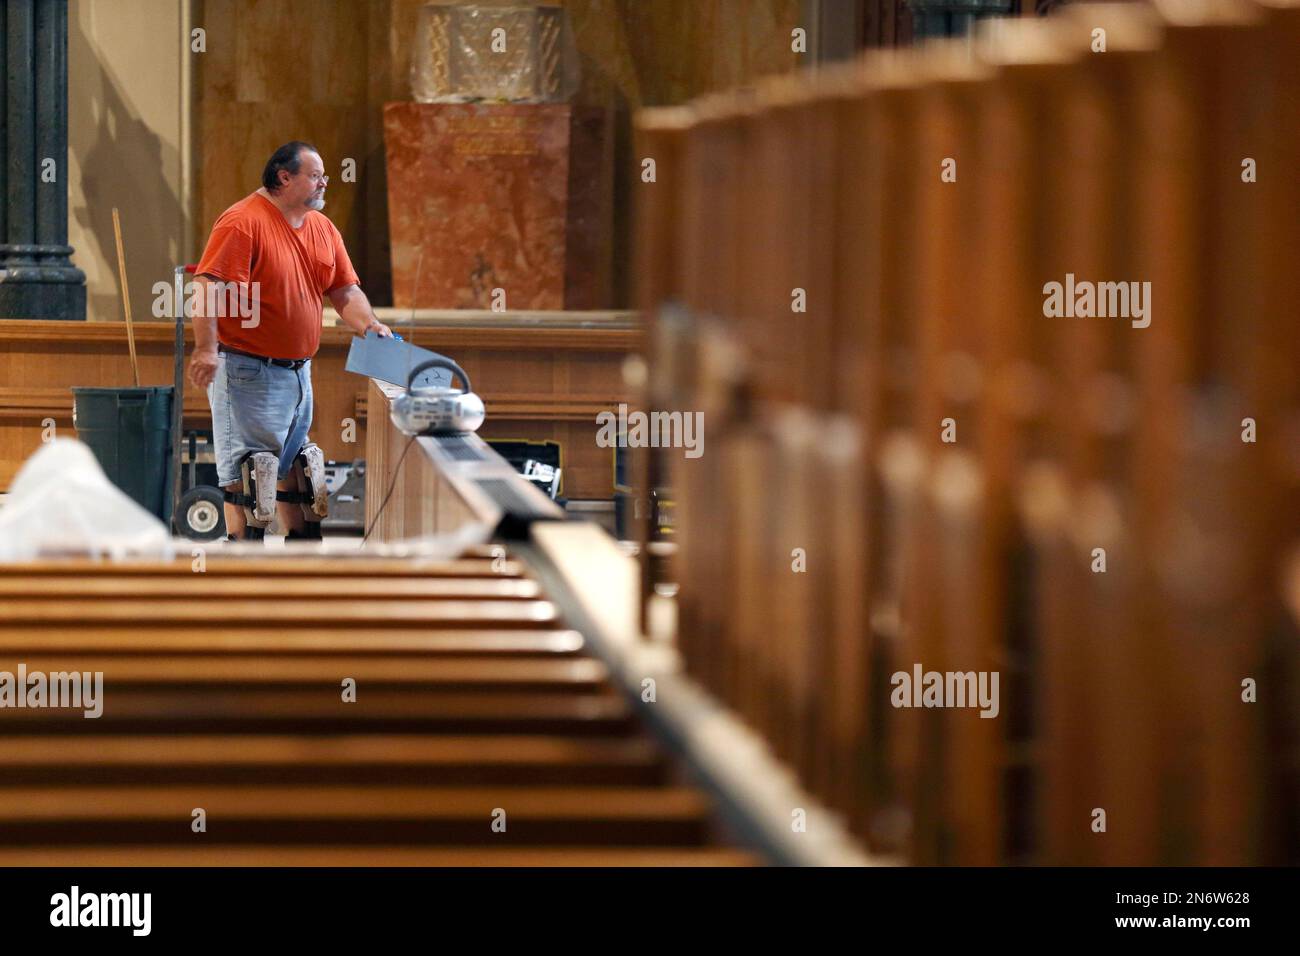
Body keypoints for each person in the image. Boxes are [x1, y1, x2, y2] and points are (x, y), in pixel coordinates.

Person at [185, 141, 392, 541]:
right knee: (250, 476)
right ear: (285, 177)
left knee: (298, 470)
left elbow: (344, 291)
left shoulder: (321, 227)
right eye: (315, 176)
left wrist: (371, 326)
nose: (324, 184)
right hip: (247, 370)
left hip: (298, 372)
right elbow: (207, 286)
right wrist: (206, 348)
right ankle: (244, 574)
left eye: (324, 176)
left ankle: (301, 562)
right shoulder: (243, 221)